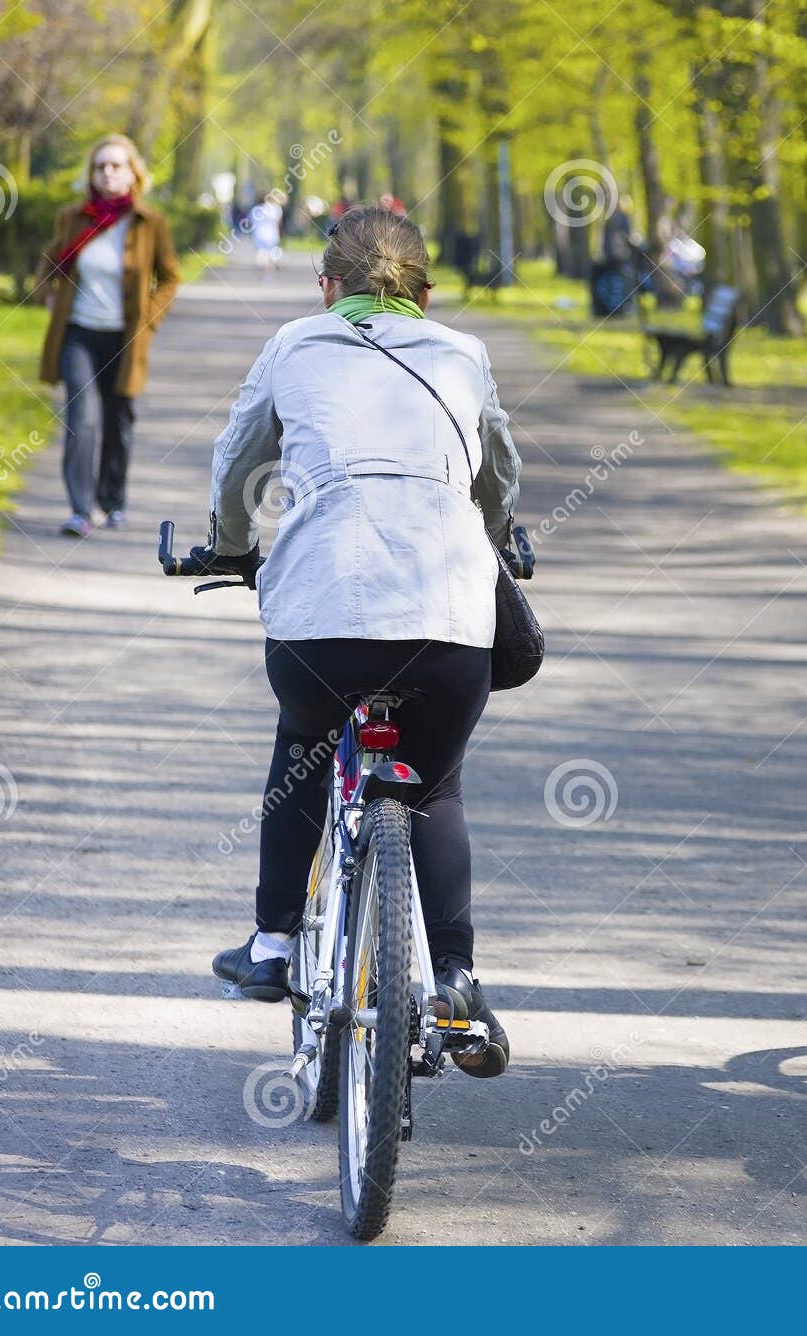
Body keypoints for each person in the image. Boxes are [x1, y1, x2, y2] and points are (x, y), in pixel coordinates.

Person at [201, 205, 523, 1077]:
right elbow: (497, 472)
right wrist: (495, 540)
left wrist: (229, 545)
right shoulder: (463, 354)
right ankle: (454, 978)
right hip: (447, 625)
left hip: (322, 624)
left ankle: (271, 945)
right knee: (435, 788)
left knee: (305, 743)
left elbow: (238, 460)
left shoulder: (294, 345)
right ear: (427, 292)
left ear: (325, 287)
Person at [35, 134, 181, 537]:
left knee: (119, 419)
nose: (107, 173)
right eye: (100, 166)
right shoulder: (73, 218)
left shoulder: (149, 223)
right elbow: (50, 261)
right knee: (82, 418)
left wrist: (149, 319)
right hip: (79, 334)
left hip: (125, 339)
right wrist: (48, 295)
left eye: (116, 165)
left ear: (133, 173)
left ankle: (112, 501)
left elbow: (170, 278)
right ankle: (80, 511)